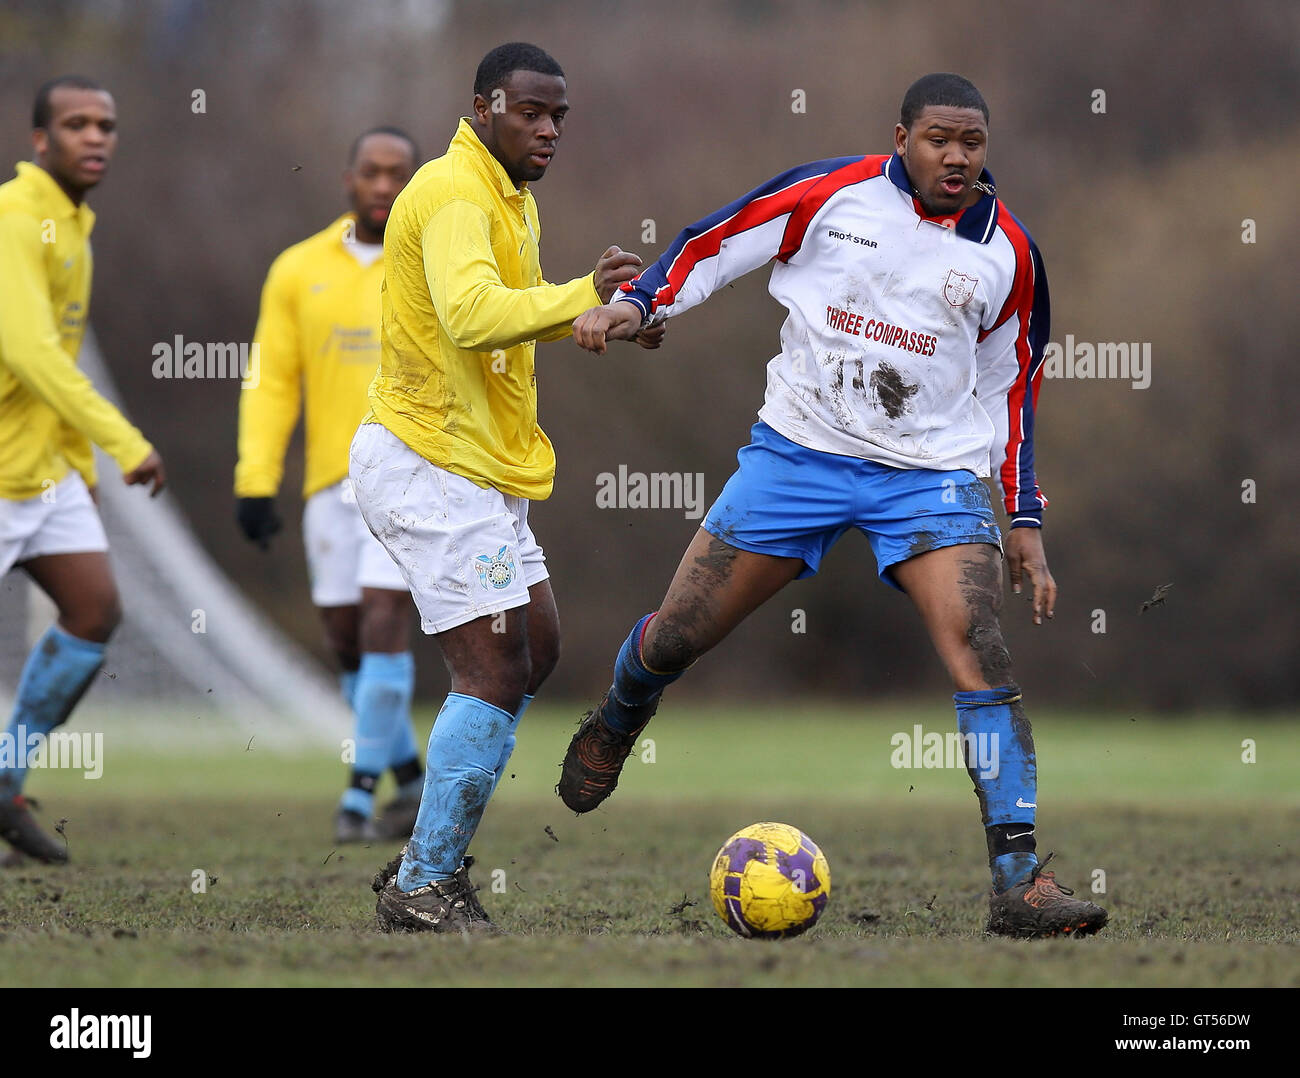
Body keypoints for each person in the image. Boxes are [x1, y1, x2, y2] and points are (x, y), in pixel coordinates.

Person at [557, 73, 1108, 939]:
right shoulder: (827, 195)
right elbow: (713, 246)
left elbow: (1015, 394)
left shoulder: (1010, 256)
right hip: (799, 453)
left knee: (982, 649)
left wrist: (1025, 518)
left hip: (930, 476)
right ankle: (624, 711)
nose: (956, 156)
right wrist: (635, 304)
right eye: (939, 139)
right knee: (677, 632)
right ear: (902, 138)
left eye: (972, 142)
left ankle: (1018, 882)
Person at [353, 42, 662, 932]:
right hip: (426, 463)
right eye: (531, 112)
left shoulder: (507, 197)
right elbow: (471, 313)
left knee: (535, 641)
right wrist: (576, 296)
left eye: (559, 115)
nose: (549, 129)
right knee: (494, 661)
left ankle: (432, 851)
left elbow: (507, 320)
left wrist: (602, 318)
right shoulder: (455, 191)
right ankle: (422, 881)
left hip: (475, 467)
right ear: (484, 106)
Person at [235, 127, 427, 844]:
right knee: (345, 642)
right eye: (372, 173)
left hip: (408, 477)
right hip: (329, 485)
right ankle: (411, 781)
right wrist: (256, 479)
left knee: (383, 623)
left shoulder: (433, 263)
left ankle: (356, 798)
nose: (384, 186)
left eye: (398, 174)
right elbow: (271, 380)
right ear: (348, 179)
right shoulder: (296, 270)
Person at [0, 76, 166, 863]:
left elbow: (55, 361)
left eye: (105, 123)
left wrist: (79, 466)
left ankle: (3, 782)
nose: (95, 136)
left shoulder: (76, 226)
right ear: (40, 141)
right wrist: (123, 442)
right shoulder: (14, 217)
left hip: (43, 473)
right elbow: (29, 354)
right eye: (75, 124)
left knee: (94, 610)